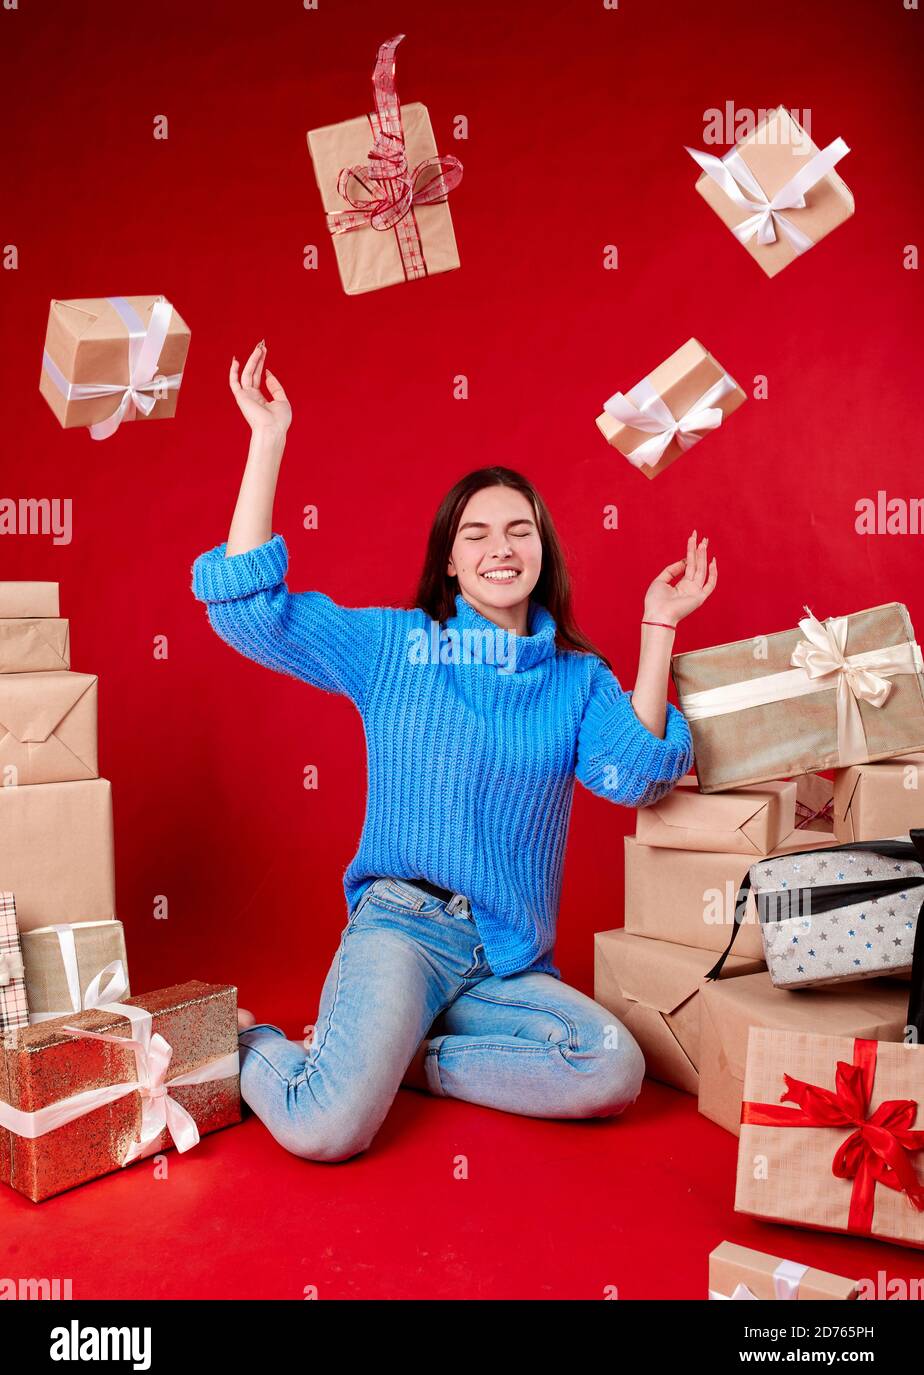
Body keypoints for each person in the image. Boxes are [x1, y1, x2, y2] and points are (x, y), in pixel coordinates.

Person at [191, 342, 716, 1163]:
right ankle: (248, 1042)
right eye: (477, 534)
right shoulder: (401, 648)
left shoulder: (577, 679)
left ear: (543, 551)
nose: (501, 546)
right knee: (324, 1128)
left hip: (505, 955)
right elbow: (250, 614)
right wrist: (268, 439)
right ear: (451, 560)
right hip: (403, 929)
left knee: (610, 1066)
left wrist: (659, 626)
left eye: (520, 529)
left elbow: (636, 777)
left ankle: (408, 1059)